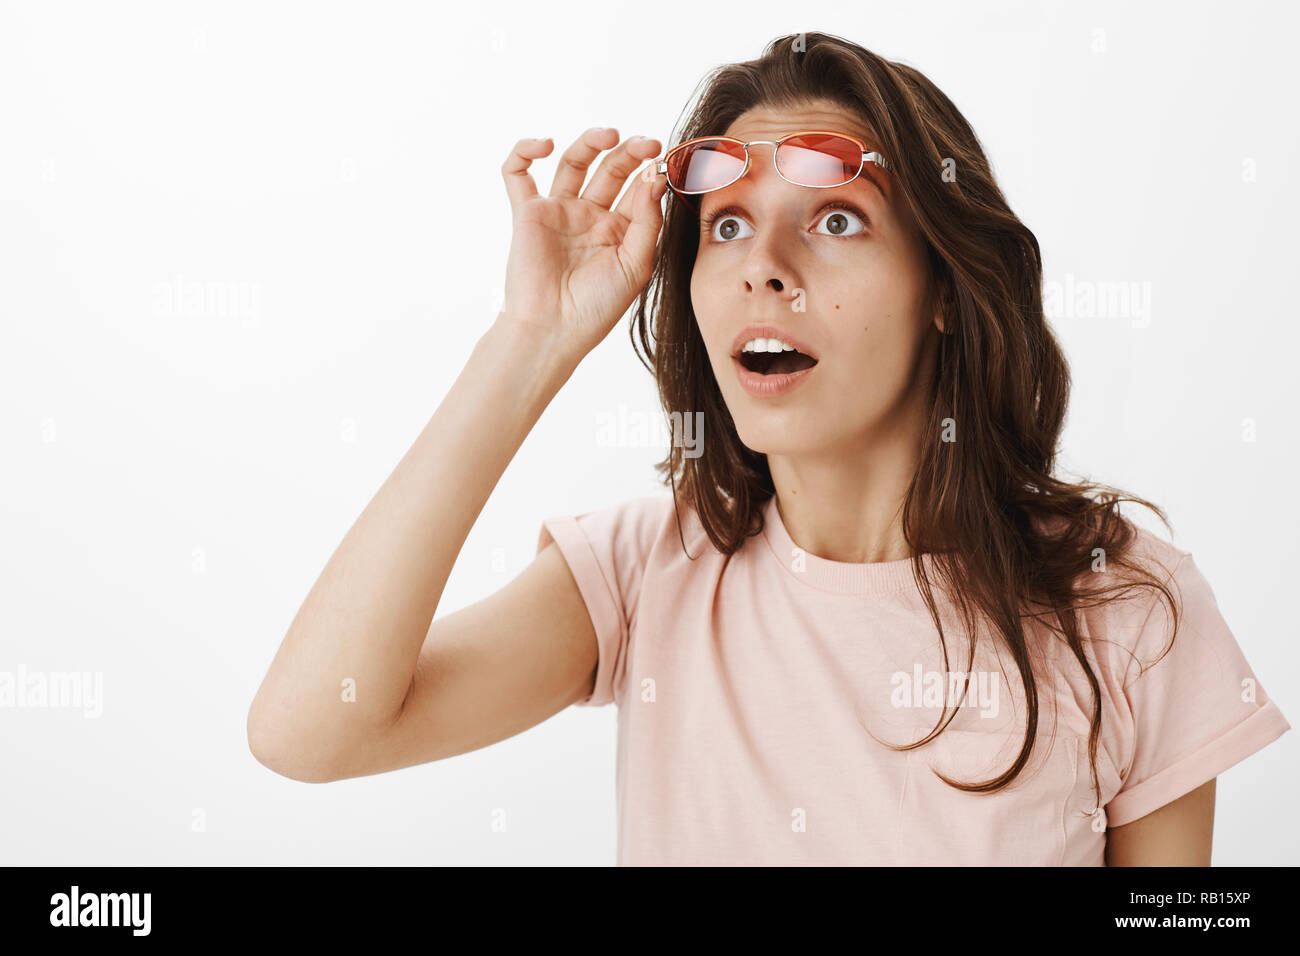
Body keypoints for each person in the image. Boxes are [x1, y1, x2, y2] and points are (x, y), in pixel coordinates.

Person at [247, 32, 1290, 866]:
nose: (764, 267)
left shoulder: (1124, 601)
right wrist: (528, 341)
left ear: (941, 289)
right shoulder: (640, 573)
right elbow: (309, 729)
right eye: (727, 227)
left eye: (835, 220)